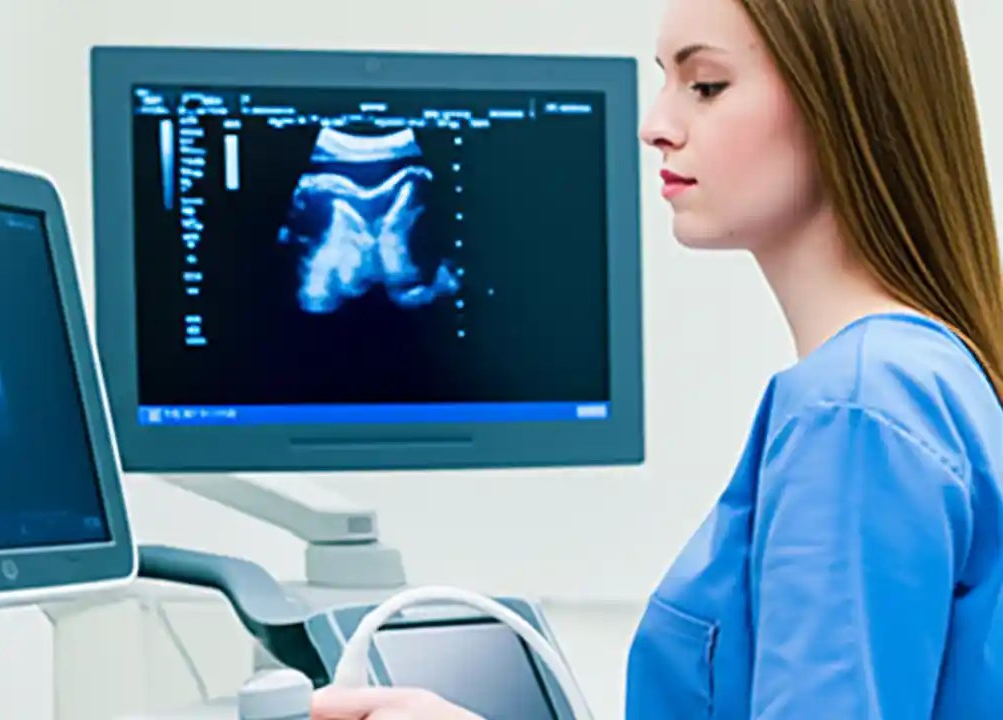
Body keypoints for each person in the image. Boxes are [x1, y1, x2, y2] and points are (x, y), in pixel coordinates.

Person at [310, 0, 1003, 717]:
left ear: (845, 96)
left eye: (705, 86)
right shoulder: (927, 378)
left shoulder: (854, 411)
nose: (654, 126)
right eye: (665, 82)